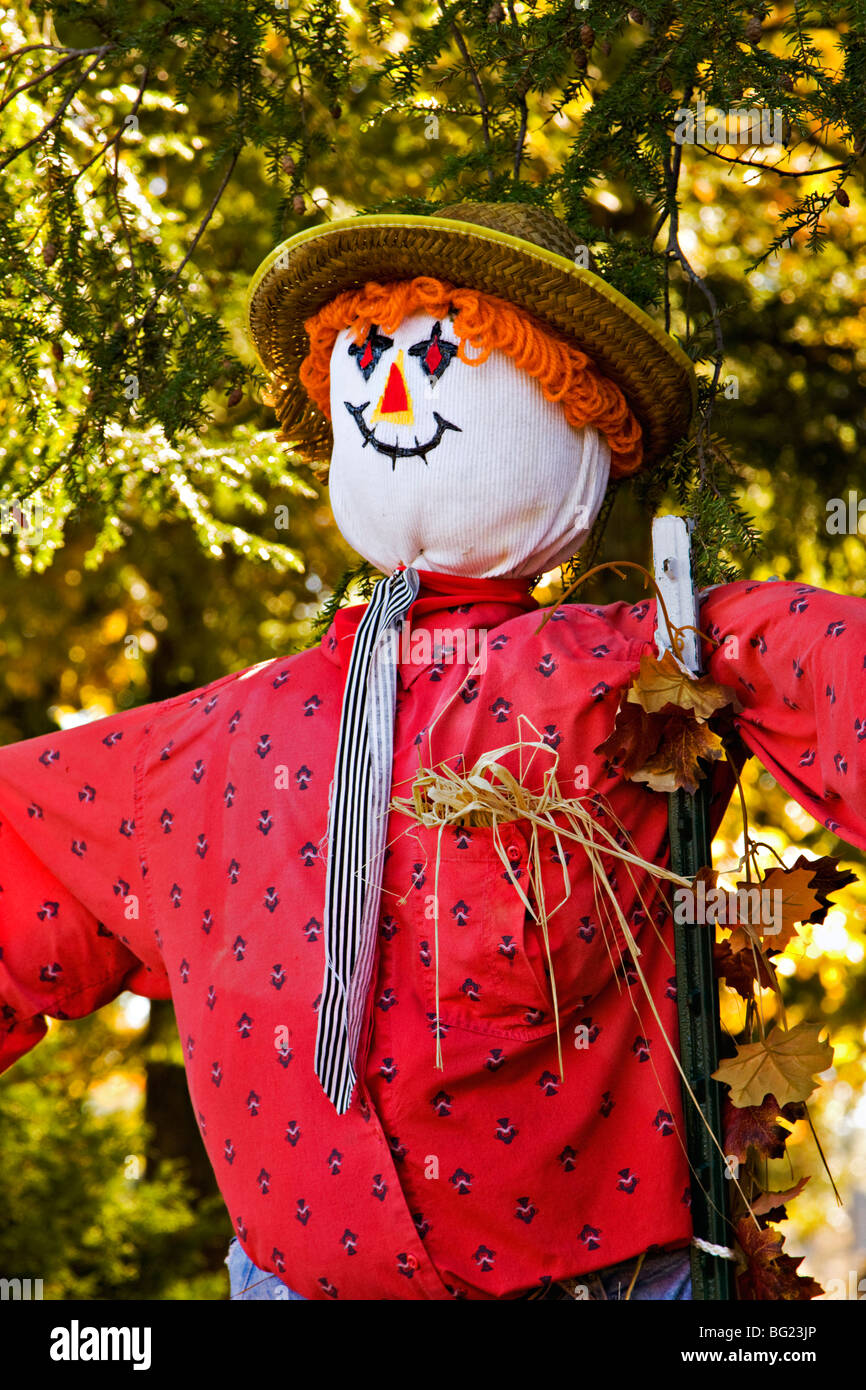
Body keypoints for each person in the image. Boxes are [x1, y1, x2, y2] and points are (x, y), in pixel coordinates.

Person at [2, 203, 863, 1300]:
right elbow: (23, 846)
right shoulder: (202, 746)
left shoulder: (649, 672)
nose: (395, 394)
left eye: (443, 352)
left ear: (576, 420)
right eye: (365, 359)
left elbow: (827, 669)